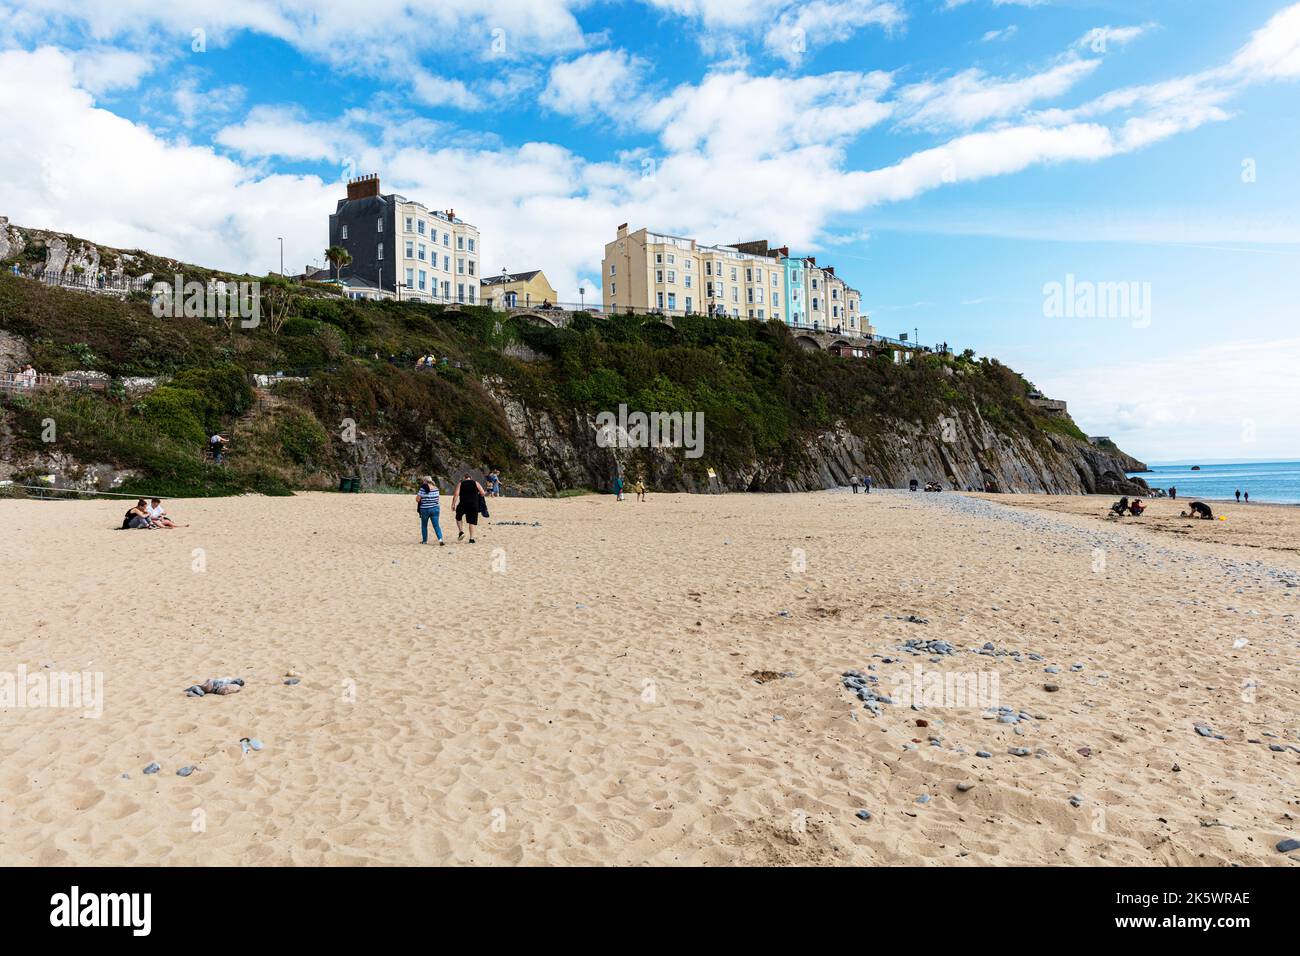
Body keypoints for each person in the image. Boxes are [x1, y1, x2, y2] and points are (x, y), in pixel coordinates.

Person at [452, 472, 487, 543]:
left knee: (458, 517)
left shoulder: (461, 483)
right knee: (472, 521)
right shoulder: (476, 483)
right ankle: (471, 539)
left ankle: (461, 531)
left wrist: (453, 504)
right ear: (470, 478)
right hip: (473, 505)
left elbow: (456, 494)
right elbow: (483, 493)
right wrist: (477, 494)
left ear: (464, 478)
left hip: (463, 504)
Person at [415, 476, 444, 545]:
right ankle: (440, 539)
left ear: (425, 481)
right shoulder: (436, 488)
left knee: (424, 525)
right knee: (436, 525)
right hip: (435, 508)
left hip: (425, 509)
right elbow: (437, 499)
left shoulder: (423, 489)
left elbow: (417, 499)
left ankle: (424, 541)